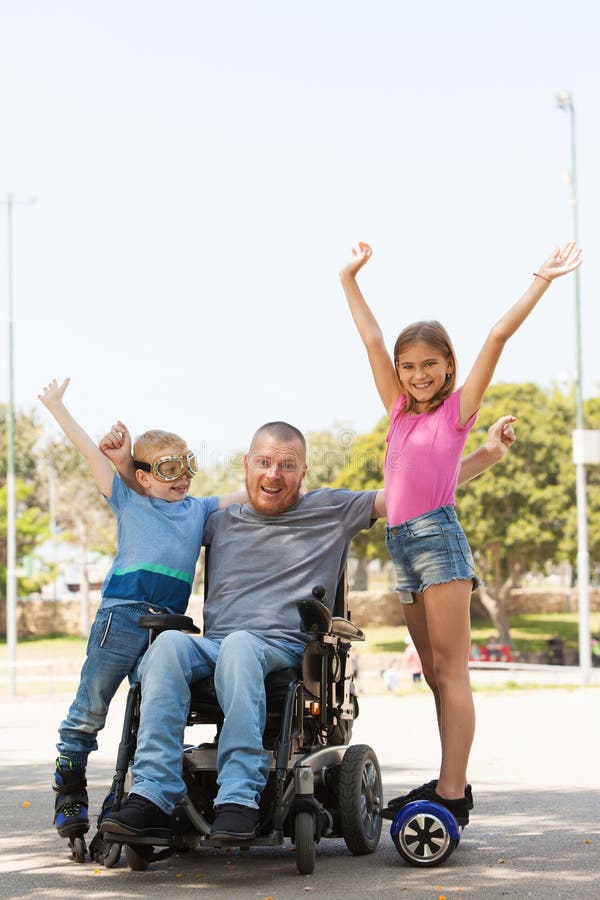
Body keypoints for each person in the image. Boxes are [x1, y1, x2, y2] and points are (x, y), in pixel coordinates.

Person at [100, 418, 512, 842]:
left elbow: (414, 494)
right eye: (263, 462)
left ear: (303, 472)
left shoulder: (331, 509)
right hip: (218, 646)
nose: (273, 475)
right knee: (168, 646)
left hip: (282, 648)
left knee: (240, 646)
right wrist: (126, 467)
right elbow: (155, 504)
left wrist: (487, 455)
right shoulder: (218, 519)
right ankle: (152, 794)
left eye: (287, 465)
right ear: (246, 465)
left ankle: (239, 796)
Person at [339, 239, 581, 827]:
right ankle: (451, 780)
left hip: (438, 543)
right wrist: (349, 279)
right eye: (408, 366)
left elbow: (497, 336)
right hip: (401, 546)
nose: (418, 374)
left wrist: (541, 279)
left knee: (452, 672)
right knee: (432, 675)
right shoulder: (398, 412)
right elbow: (372, 341)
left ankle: (450, 792)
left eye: (430, 364)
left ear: (448, 364)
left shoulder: (458, 411)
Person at [38, 378, 244, 852]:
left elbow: (252, 495)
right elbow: (90, 453)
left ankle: (131, 801)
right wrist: (57, 407)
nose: (183, 476)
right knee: (91, 708)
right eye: (170, 468)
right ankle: (70, 788)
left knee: (147, 715)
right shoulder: (129, 499)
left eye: (188, 465)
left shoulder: (199, 509)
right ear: (144, 475)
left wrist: (291, 481)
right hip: (122, 620)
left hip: (167, 631)